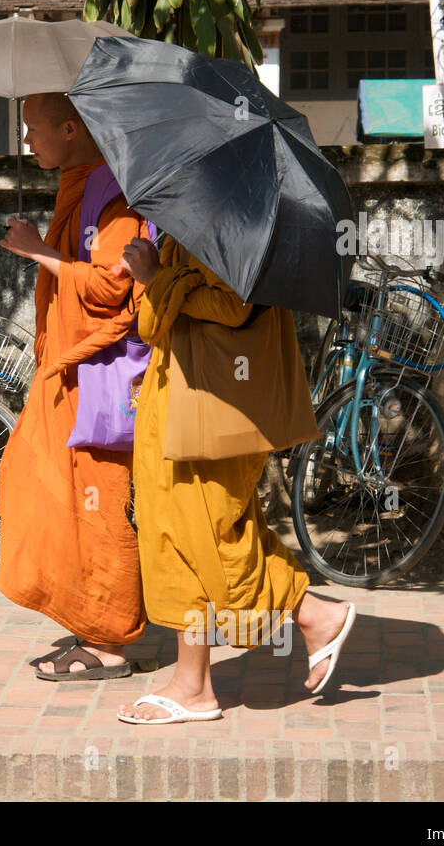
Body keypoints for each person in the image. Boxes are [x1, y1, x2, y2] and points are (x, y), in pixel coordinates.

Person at [112, 234, 357, 724]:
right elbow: (154, 325)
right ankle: (198, 680)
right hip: (182, 402)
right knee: (181, 537)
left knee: (208, 540)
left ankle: (306, 617)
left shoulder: (229, 228)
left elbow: (235, 307)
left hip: (212, 410)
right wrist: (159, 281)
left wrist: (158, 278)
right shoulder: (195, 223)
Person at [0, 92, 146, 681]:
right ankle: (89, 623)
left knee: (98, 505)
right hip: (68, 371)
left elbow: (111, 290)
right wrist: (43, 250)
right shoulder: (80, 186)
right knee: (37, 483)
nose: (28, 141)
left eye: (34, 128)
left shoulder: (113, 195)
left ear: (71, 128)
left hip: (99, 378)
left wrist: (39, 252)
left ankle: (110, 641)